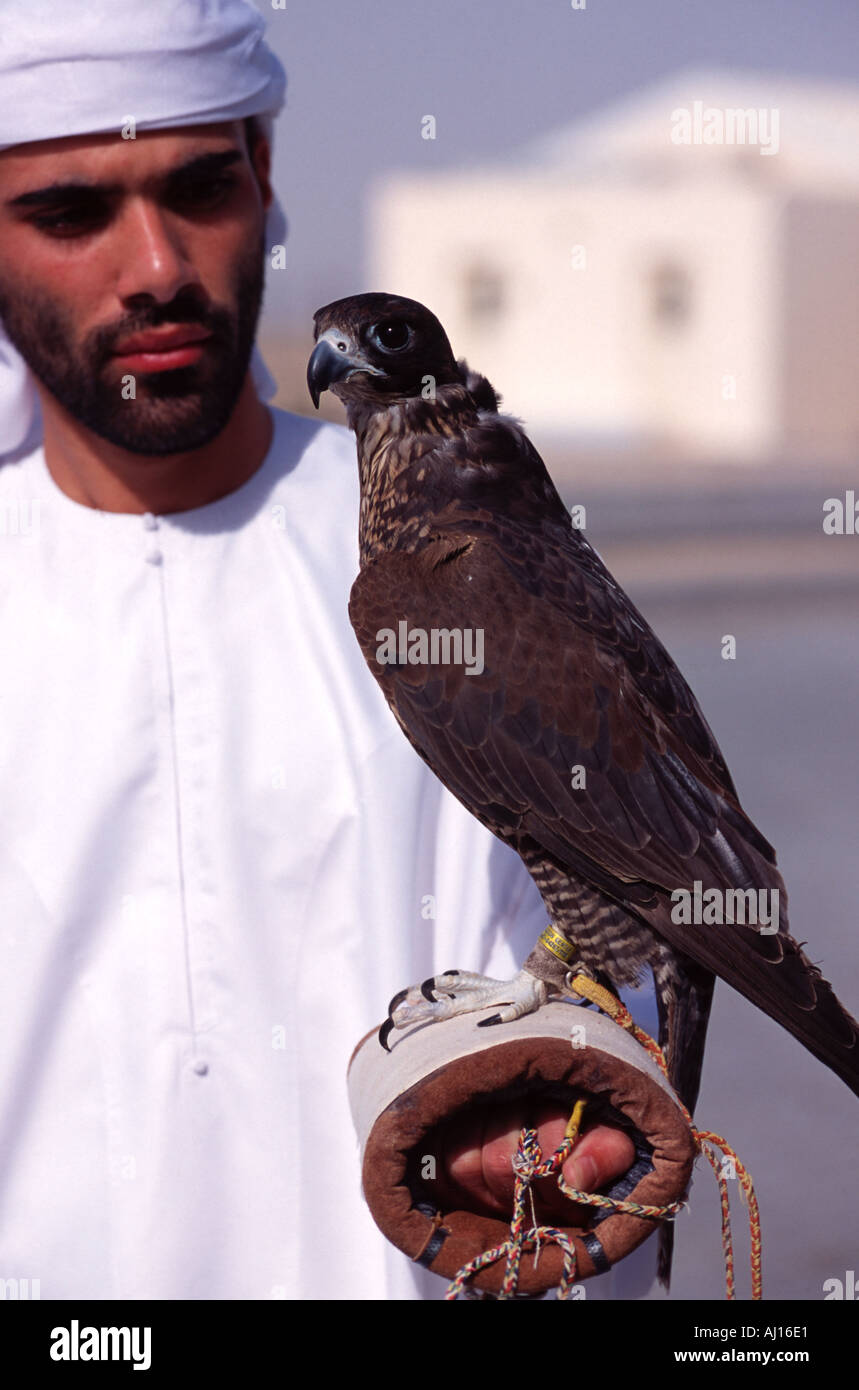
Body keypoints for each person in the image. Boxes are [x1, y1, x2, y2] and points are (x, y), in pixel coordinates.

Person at [0, 0, 642, 1300]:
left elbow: (605, 976)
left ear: (266, 174)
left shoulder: (468, 551)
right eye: (73, 214)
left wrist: (548, 1113)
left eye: (199, 187)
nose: (158, 266)